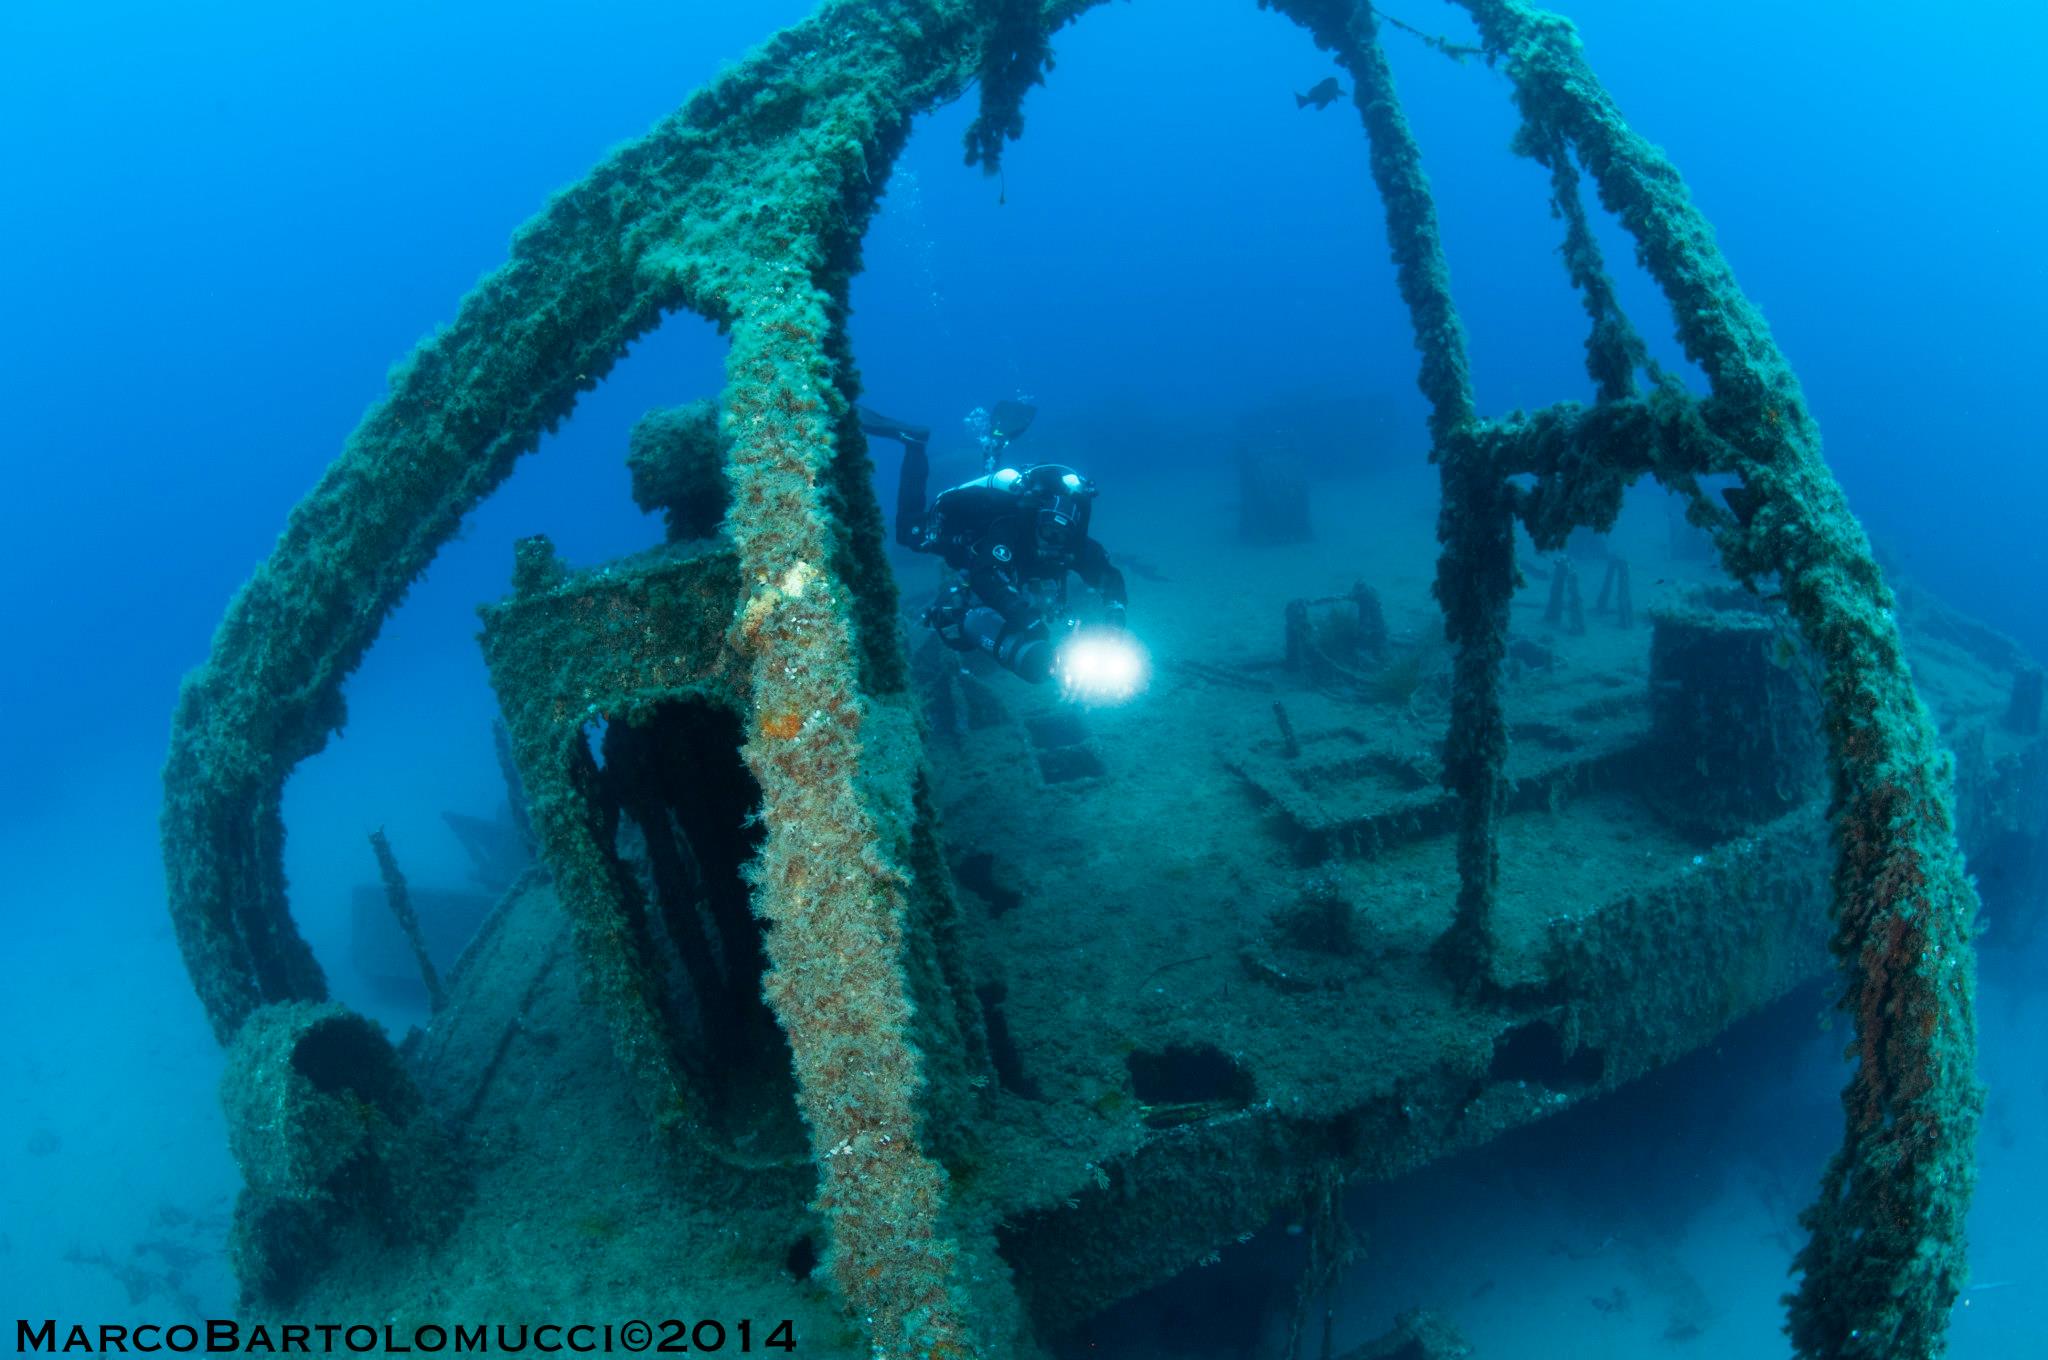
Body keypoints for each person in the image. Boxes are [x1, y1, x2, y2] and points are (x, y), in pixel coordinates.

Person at [859, 403, 1129, 685]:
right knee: (910, 534)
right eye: (1047, 532)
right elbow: (985, 574)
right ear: (1036, 523)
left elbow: (1108, 577)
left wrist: (1115, 616)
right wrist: (1021, 614)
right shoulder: (1010, 529)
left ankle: (994, 447)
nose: (1051, 542)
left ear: (1073, 535)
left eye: (1060, 537)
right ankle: (913, 443)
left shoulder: (1076, 548)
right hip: (969, 538)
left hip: (1009, 558)